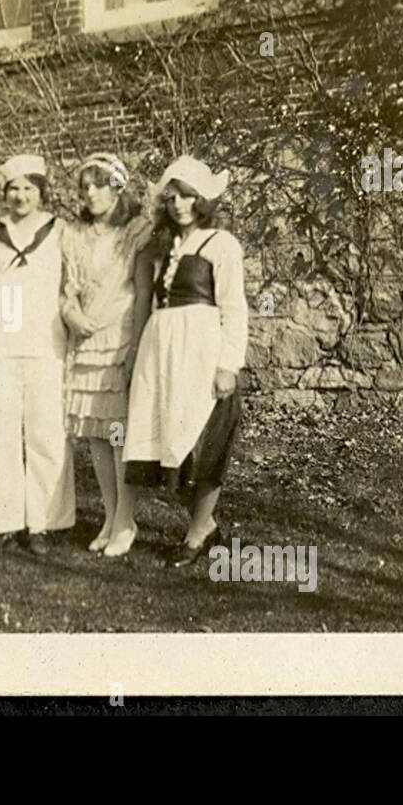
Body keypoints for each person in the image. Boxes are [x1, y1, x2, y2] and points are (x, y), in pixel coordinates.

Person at [122, 154, 249, 566]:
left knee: (203, 440)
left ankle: (197, 534)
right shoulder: (162, 248)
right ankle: (205, 526)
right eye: (172, 197)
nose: (179, 205)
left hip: (201, 348)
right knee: (167, 443)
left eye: (188, 196)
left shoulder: (221, 244)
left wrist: (228, 364)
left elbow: (235, 308)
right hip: (162, 350)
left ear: (203, 200)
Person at [0, 154, 76, 555]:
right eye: (13, 188)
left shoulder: (59, 229)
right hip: (0, 341)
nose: (20, 195)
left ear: (41, 192)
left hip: (46, 341)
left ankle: (45, 523)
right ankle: (1, 520)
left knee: (46, 431)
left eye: (29, 188)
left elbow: (71, 283)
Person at [60, 153, 153, 557]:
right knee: (96, 432)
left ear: (118, 187)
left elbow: (141, 289)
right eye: (85, 187)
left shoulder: (136, 232)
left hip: (119, 334)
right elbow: (67, 287)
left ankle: (125, 520)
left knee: (117, 432)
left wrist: (126, 334)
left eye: (99, 185)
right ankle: (110, 514)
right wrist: (72, 314)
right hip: (86, 339)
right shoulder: (74, 234)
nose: (91, 193)